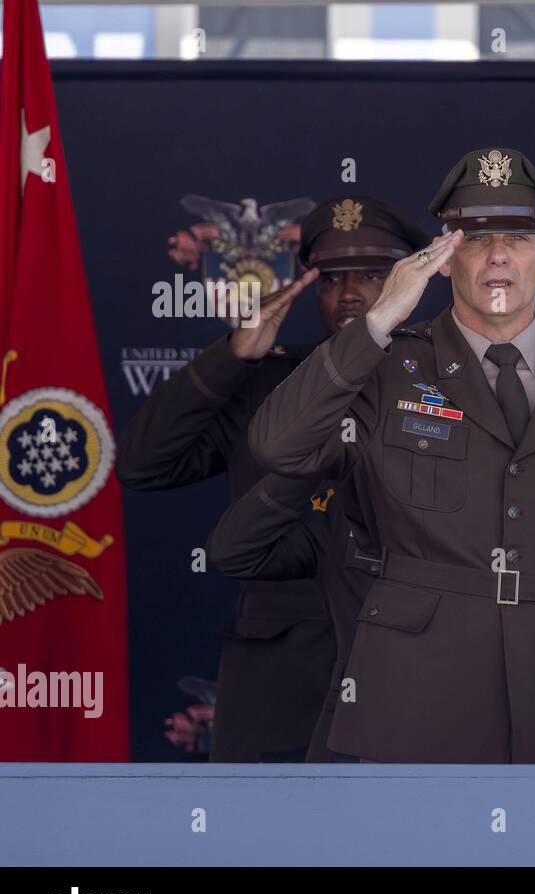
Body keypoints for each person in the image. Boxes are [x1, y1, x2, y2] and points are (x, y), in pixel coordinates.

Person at [247, 147, 535, 763]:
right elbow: (274, 445)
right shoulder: (388, 363)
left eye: (520, 237)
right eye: (476, 239)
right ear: (444, 261)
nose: (498, 254)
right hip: (415, 696)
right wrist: (375, 322)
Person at [117, 196, 428, 762]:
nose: (351, 292)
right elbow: (143, 464)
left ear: (412, 279)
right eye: (331, 279)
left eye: (374, 275)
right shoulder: (273, 383)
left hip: (402, 663)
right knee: (260, 844)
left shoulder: (436, 384)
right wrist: (233, 355)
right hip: (277, 674)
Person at [206, 472, 368, 762]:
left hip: (449, 719)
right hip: (350, 724)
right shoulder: (337, 513)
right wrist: (301, 466)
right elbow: (230, 553)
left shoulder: (464, 514)